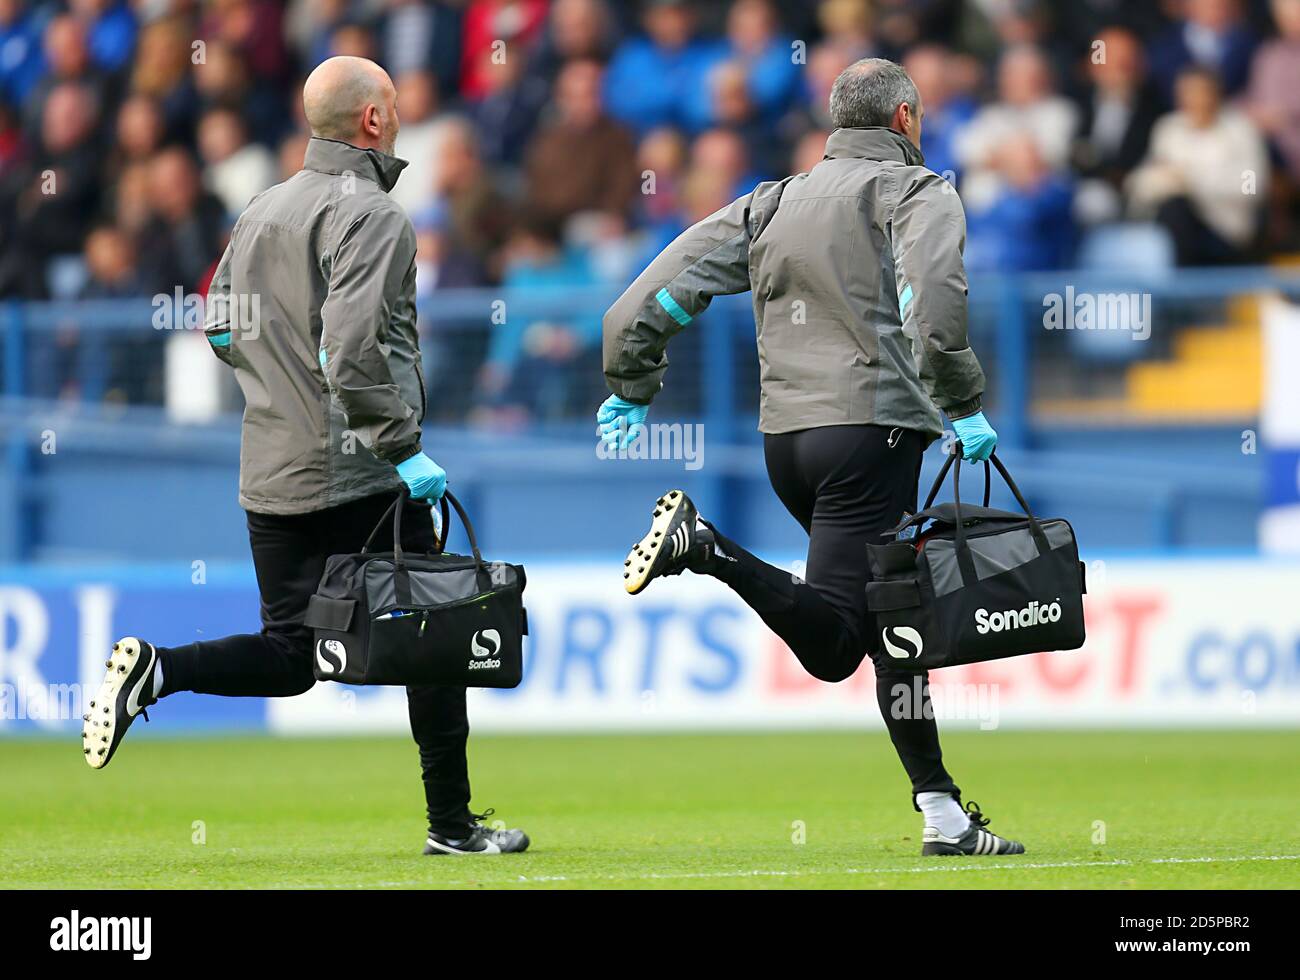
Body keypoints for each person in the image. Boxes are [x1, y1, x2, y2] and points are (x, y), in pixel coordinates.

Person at [82, 55, 529, 858]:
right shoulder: (375, 215)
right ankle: (453, 826)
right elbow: (353, 349)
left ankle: (159, 670)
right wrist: (402, 448)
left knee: (293, 653)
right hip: (359, 471)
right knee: (435, 634)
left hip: (271, 473)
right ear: (372, 122)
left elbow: (219, 327)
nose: (394, 119)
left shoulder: (259, 210)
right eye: (390, 106)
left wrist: (282, 384)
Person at [597, 58, 1023, 857]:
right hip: (872, 436)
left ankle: (943, 813)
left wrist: (632, 381)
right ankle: (706, 546)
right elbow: (933, 308)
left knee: (899, 615)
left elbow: (648, 298)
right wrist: (962, 404)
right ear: (904, 119)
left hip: (788, 441)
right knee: (837, 646)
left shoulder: (772, 202)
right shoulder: (917, 191)